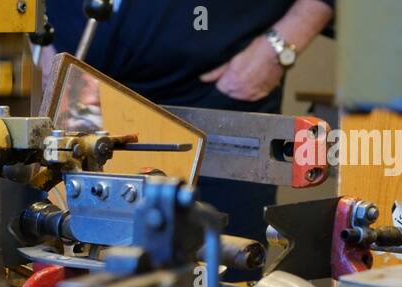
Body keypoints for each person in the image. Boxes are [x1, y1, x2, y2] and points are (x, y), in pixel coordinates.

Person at [46, 0, 335, 248]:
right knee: (83, 280)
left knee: (217, 284)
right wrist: (42, 44)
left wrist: (277, 47)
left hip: (216, 100)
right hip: (83, 96)